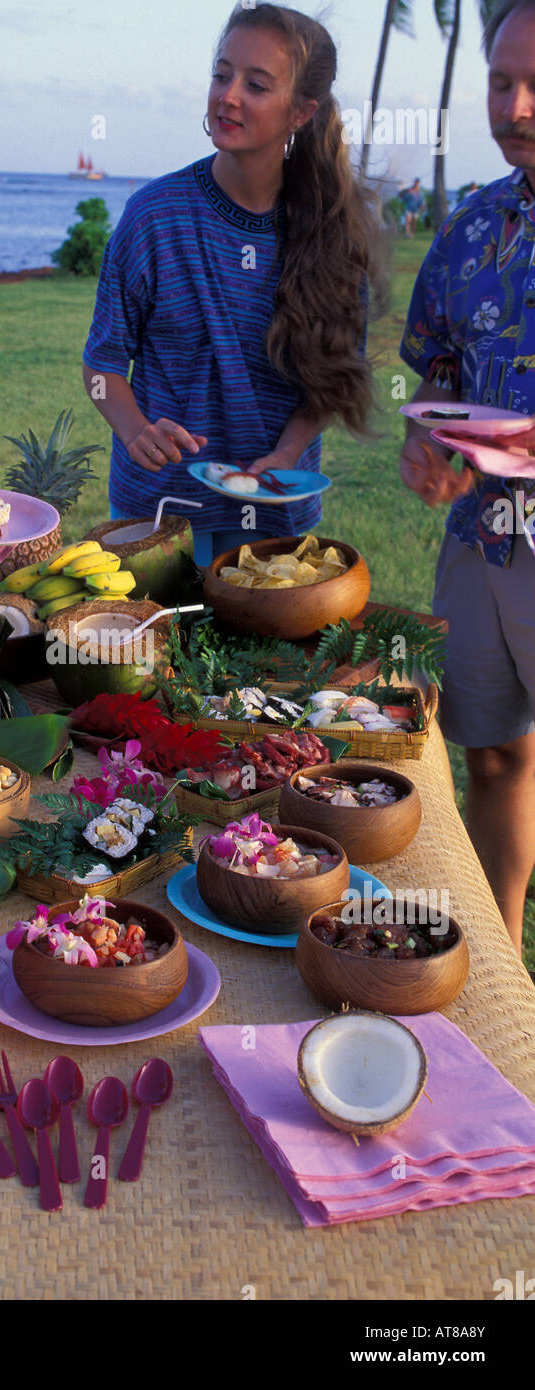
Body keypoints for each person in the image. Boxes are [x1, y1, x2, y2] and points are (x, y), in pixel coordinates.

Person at [82, 2, 384, 567]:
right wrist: (135, 429)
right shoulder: (153, 217)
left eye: (256, 84)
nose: (229, 95)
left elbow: (333, 379)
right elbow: (101, 367)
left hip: (273, 519)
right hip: (156, 521)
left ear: (301, 111)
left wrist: (290, 449)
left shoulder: (331, 234)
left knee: (259, 658)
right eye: (222, 74)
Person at [398, 0, 535, 957]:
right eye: (499, 81)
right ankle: (500, 972)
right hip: (481, 543)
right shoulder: (471, 225)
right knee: (491, 755)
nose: (516, 104)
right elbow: (438, 364)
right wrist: (431, 439)